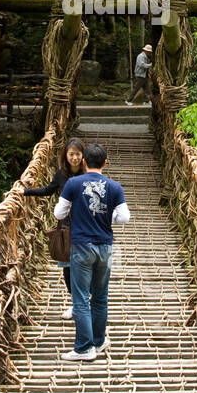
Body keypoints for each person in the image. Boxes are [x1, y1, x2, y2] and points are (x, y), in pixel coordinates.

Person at [53, 141, 130, 361]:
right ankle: (99, 340)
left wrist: (76, 211)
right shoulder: (115, 187)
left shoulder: (74, 184)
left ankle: (85, 347)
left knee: (80, 298)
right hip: (106, 247)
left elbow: (59, 213)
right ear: (105, 163)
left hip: (82, 246)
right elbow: (124, 217)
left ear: (84, 162)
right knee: (100, 297)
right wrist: (108, 217)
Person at [22, 136, 85, 319]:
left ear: (83, 156)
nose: (74, 158)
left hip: (84, 227)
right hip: (66, 226)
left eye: (77, 154)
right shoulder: (61, 175)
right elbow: (48, 190)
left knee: (83, 267)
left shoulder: (88, 174)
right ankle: (75, 303)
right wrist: (26, 191)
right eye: (71, 154)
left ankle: (82, 303)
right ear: (65, 155)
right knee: (67, 267)